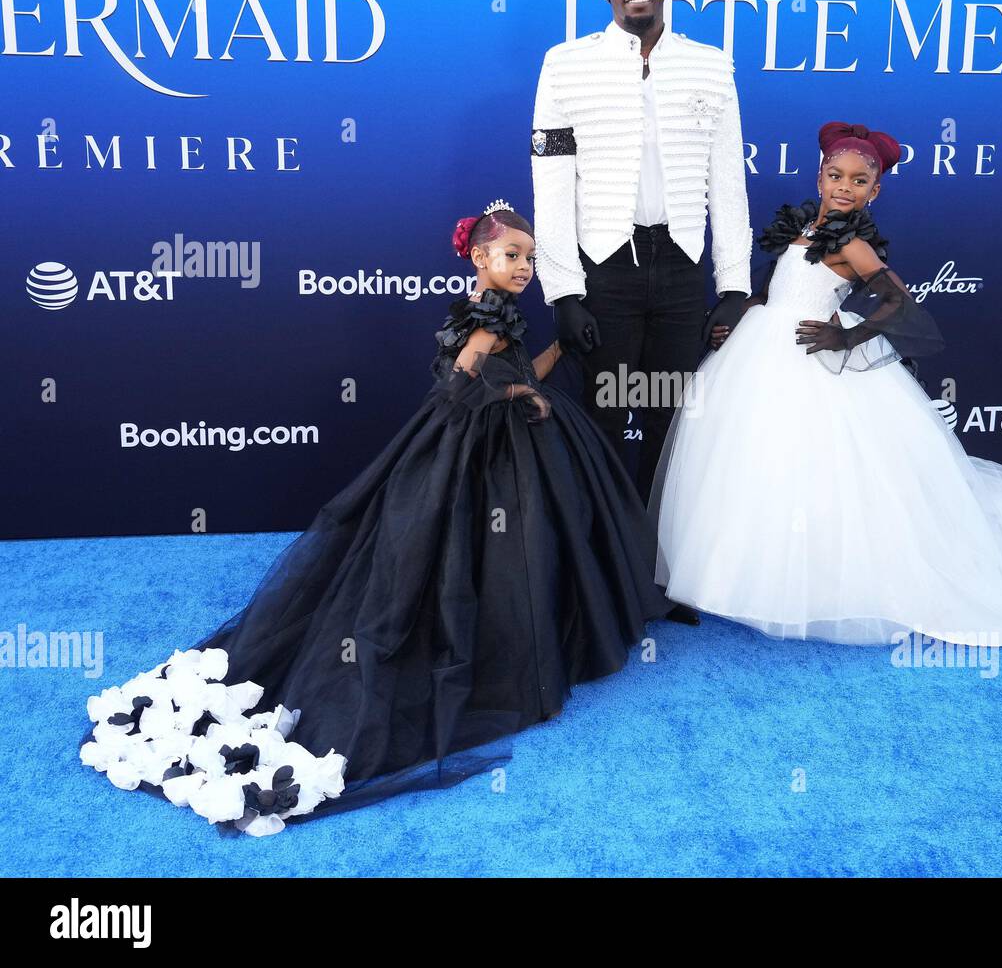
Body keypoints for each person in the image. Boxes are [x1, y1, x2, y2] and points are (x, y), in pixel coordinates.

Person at [79, 201, 672, 836]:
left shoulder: (487, 310)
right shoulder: (488, 315)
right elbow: (463, 385)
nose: (525, 267)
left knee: (504, 542)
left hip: (491, 442)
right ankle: (513, 652)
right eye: (513, 257)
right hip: (487, 444)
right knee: (490, 549)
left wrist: (548, 359)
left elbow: (504, 371)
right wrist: (522, 394)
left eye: (530, 258)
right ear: (479, 259)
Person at [650, 121, 1002, 648]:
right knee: (748, 462)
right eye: (836, 176)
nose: (845, 187)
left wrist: (847, 339)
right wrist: (749, 308)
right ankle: (741, 573)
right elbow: (785, 285)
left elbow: (897, 300)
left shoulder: (852, 245)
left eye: (860, 181)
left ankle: (806, 585)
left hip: (807, 356)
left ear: (875, 192)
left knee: (814, 466)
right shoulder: (805, 228)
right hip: (762, 349)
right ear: (819, 177)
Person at [529, 0, 752, 524]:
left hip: (680, 271)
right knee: (602, 416)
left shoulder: (710, 66)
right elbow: (551, 183)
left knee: (671, 418)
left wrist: (733, 287)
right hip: (605, 272)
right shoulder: (565, 64)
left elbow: (727, 180)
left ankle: (657, 562)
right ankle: (603, 569)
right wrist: (565, 293)